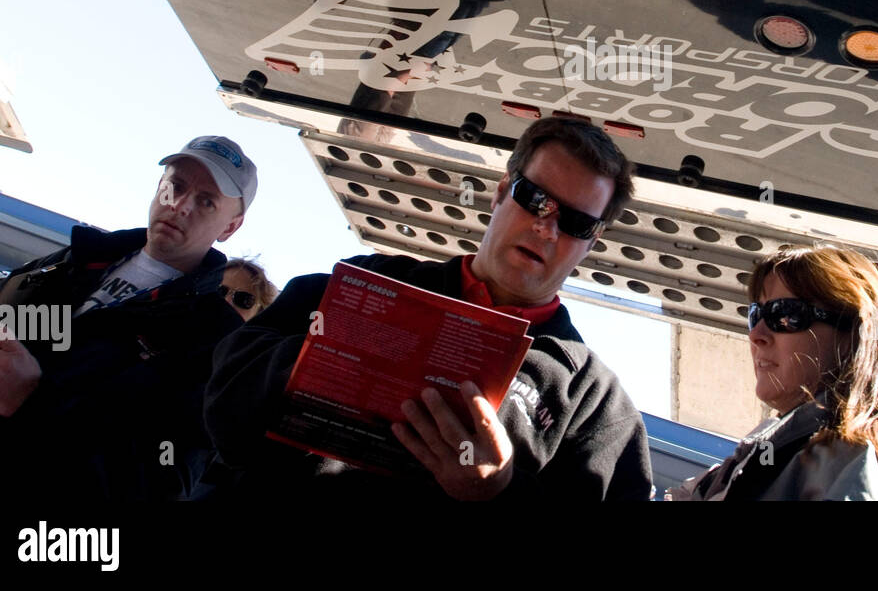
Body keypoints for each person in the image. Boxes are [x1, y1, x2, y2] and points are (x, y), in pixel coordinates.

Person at [204, 117, 653, 501]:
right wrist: (321, 363)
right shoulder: (363, 282)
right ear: (500, 194)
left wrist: (499, 490)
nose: (546, 227)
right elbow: (223, 413)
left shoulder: (597, 407)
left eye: (575, 222)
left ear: (592, 243)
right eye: (536, 199)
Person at [0, 135, 258, 501]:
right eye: (176, 187)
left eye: (206, 202)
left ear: (230, 227)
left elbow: (157, 483)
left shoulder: (215, 340)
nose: (181, 206)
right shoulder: (76, 259)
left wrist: (33, 401)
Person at [666, 244, 878, 500]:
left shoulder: (853, 464)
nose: (756, 334)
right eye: (755, 314)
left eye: (785, 314)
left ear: (855, 336)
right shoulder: (773, 455)